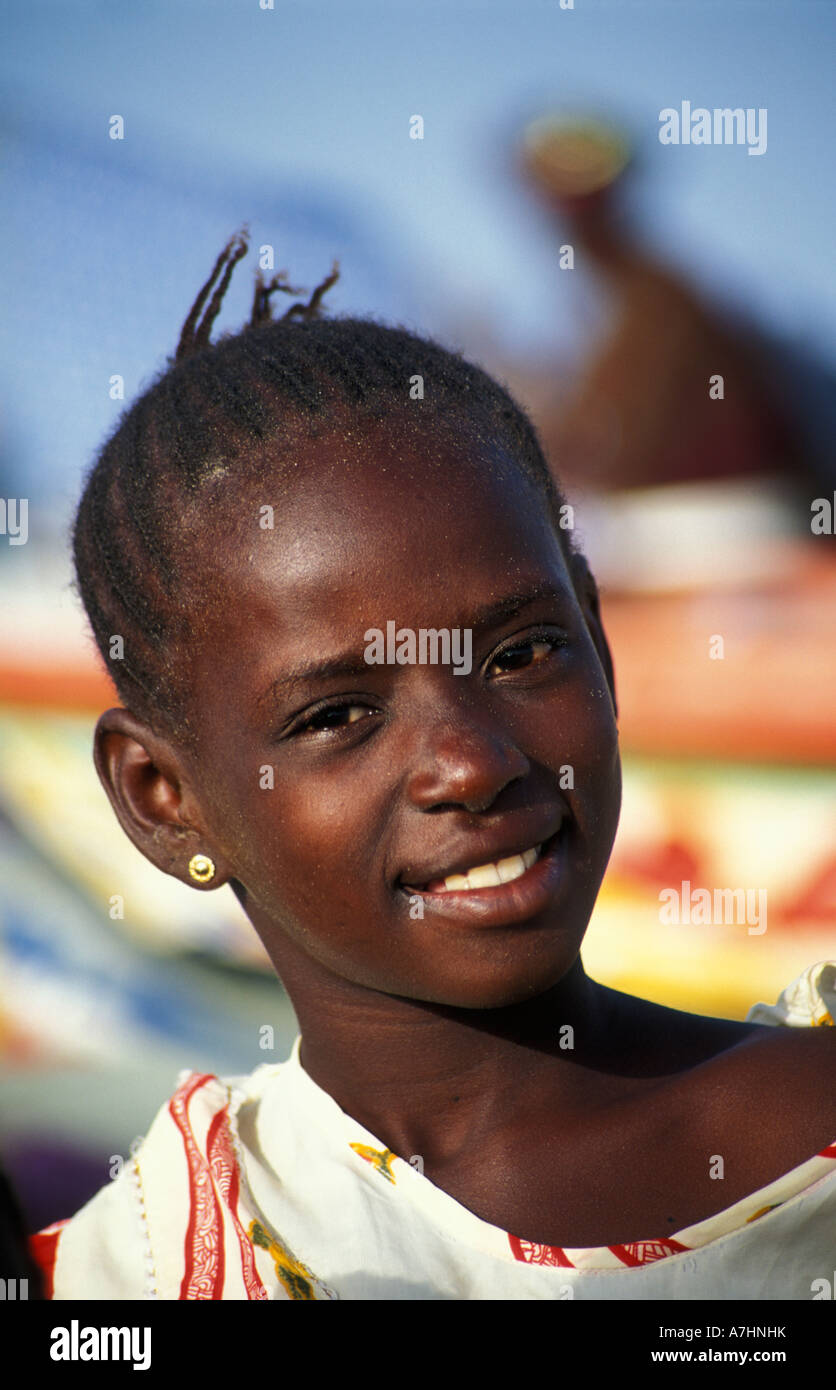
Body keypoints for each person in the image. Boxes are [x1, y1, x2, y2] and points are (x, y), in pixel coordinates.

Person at [34, 233, 835, 1300]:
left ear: (596, 639)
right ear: (162, 798)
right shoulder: (119, 1278)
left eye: (519, 654)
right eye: (338, 715)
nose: (469, 761)